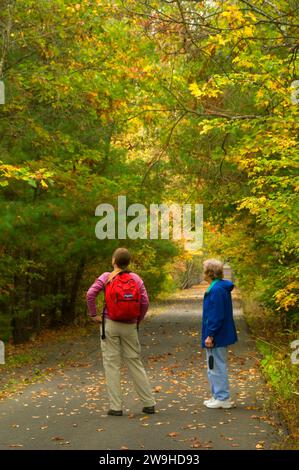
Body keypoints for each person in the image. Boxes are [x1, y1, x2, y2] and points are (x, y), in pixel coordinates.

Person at [86, 247, 156, 416]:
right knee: (134, 362)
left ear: (113, 261)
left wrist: (94, 314)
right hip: (130, 325)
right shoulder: (136, 279)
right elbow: (145, 302)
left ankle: (116, 407)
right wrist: (137, 320)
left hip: (109, 323)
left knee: (112, 364)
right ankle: (148, 403)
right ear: (128, 262)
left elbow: (90, 294)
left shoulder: (106, 277)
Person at [201, 259, 238, 409]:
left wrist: (210, 335)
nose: (203, 272)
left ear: (209, 272)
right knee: (213, 365)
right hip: (218, 333)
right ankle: (217, 395)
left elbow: (216, 315)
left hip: (217, 334)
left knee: (216, 365)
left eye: (204, 269)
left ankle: (223, 397)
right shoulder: (217, 287)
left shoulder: (216, 290)